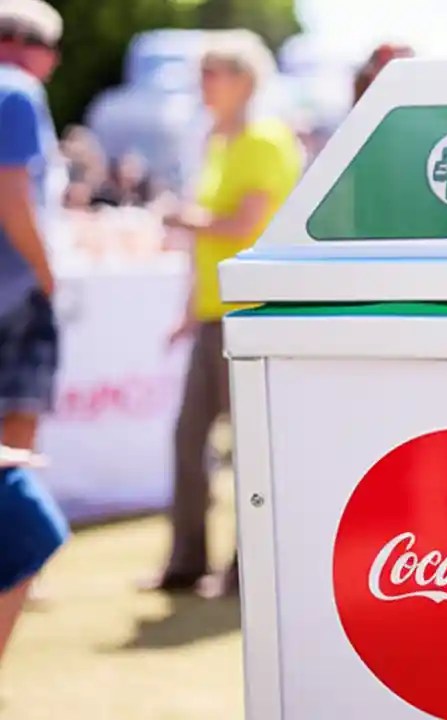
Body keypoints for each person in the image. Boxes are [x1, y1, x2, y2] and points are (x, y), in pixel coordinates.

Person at [145, 30, 302, 598]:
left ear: (244, 80)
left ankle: (245, 569)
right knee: (189, 439)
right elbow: (215, 238)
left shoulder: (264, 139)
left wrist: (184, 219)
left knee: (248, 452)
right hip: (215, 314)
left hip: (251, 314)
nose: (202, 85)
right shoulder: (221, 141)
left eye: (212, 72)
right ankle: (187, 563)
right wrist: (188, 310)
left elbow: (244, 225)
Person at [0, 0, 68, 666]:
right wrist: (50, 275)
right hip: (11, 296)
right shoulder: (16, 89)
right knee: (17, 452)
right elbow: (13, 195)